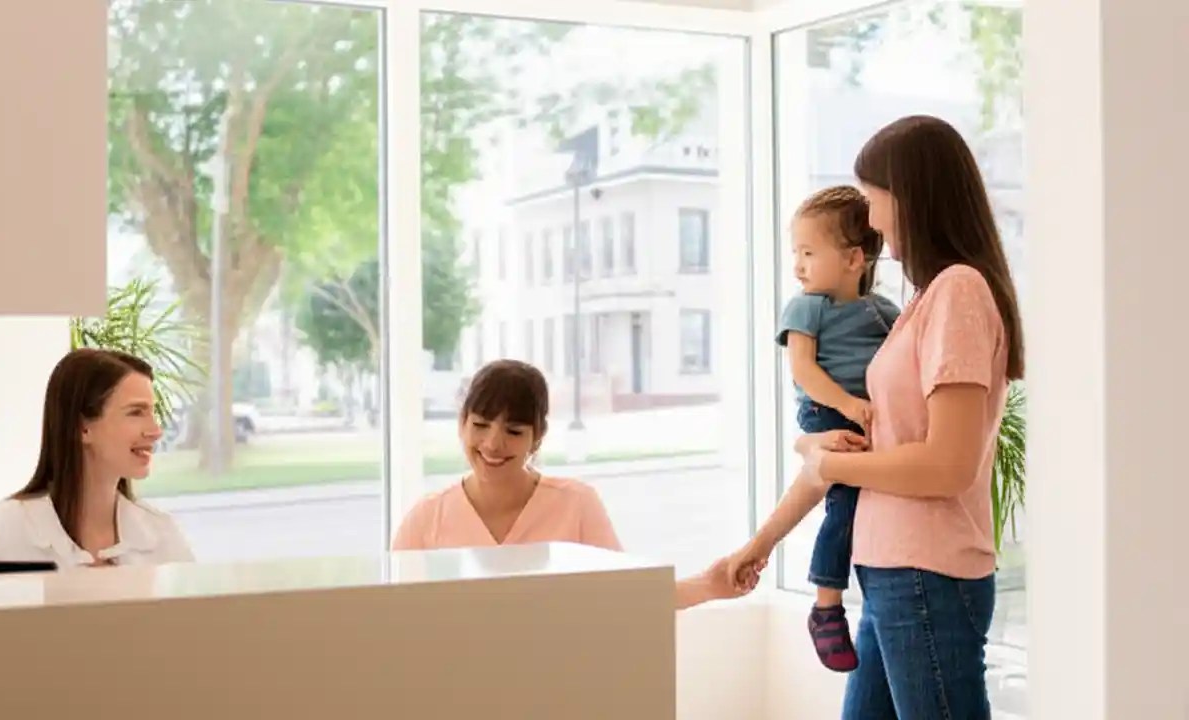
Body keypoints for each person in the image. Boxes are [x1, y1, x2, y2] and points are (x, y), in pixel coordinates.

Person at [730, 115, 1024, 718]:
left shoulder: (957, 290)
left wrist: (830, 460)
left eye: (872, 197)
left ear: (909, 193)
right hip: (893, 568)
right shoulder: (920, 301)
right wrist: (762, 540)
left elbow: (946, 465)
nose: (870, 216)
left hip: (926, 572)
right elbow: (866, 456)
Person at [393, 359, 758, 609]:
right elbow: (387, 614)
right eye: (480, 425)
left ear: (537, 437)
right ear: (462, 423)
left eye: (514, 431)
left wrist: (709, 585)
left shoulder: (576, 504)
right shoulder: (427, 519)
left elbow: (627, 596)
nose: (492, 443)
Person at [774, 185, 899, 672]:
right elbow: (803, 371)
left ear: (853, 260)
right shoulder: (806, 307)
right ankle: (826, 604)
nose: (798, 265)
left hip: (867, 416)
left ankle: (860, 594)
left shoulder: (883, 311)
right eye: (796, 253)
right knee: (845, 500)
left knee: (876, 501)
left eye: (808, 253)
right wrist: (848, 403)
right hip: (827, 414)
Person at [0, 348, 194, 567]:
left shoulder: (164, 535)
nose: (155, 431)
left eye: (152, 412)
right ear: (82, 428)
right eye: (136, 412)